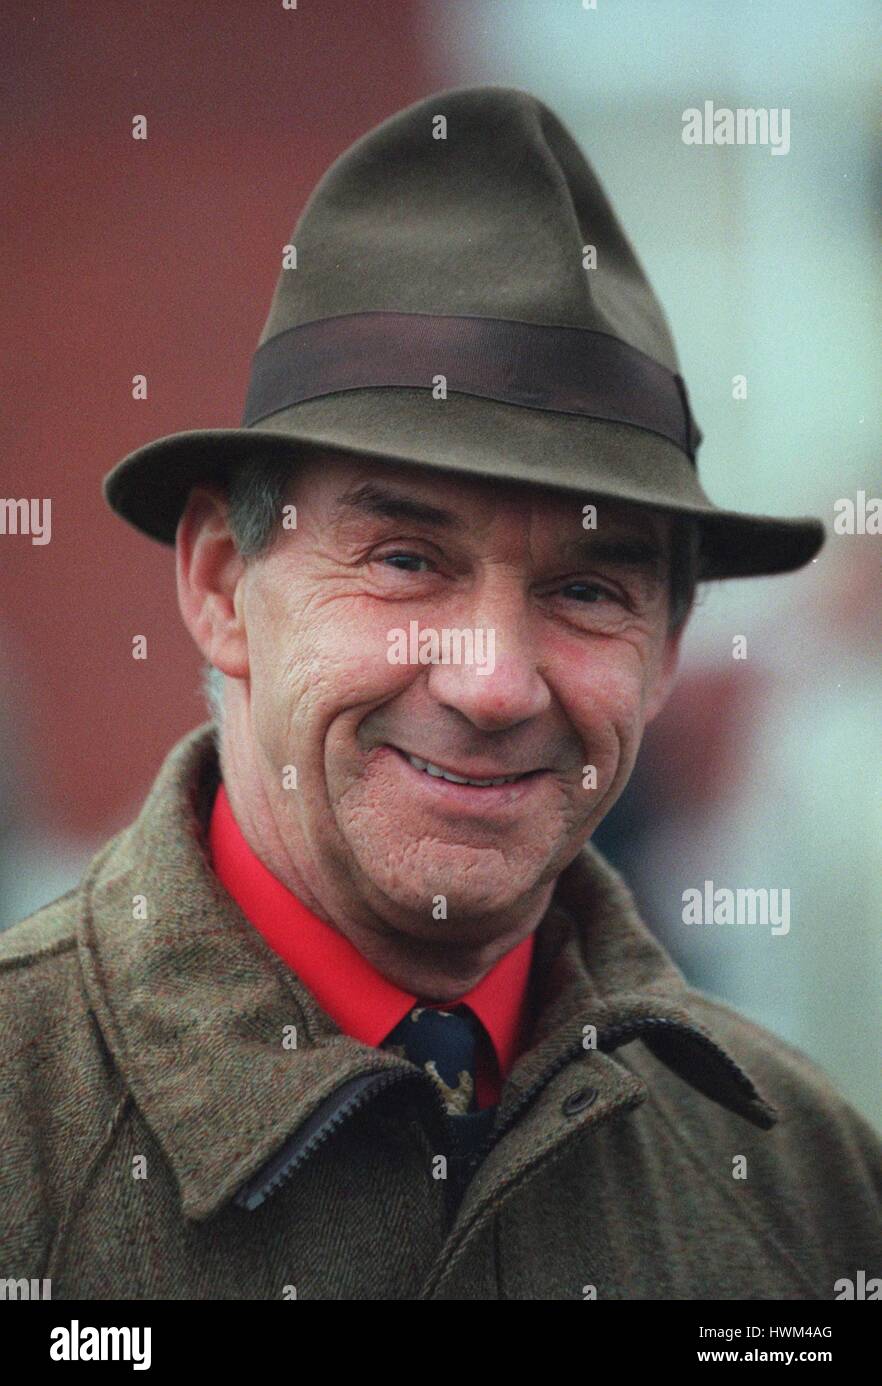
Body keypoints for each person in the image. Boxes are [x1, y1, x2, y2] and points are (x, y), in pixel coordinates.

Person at [2, 86, 879, 1301]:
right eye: (407, 561)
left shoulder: (810, 1190)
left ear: (669, 649)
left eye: (586, 589)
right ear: (218, 583)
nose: (493, 683)